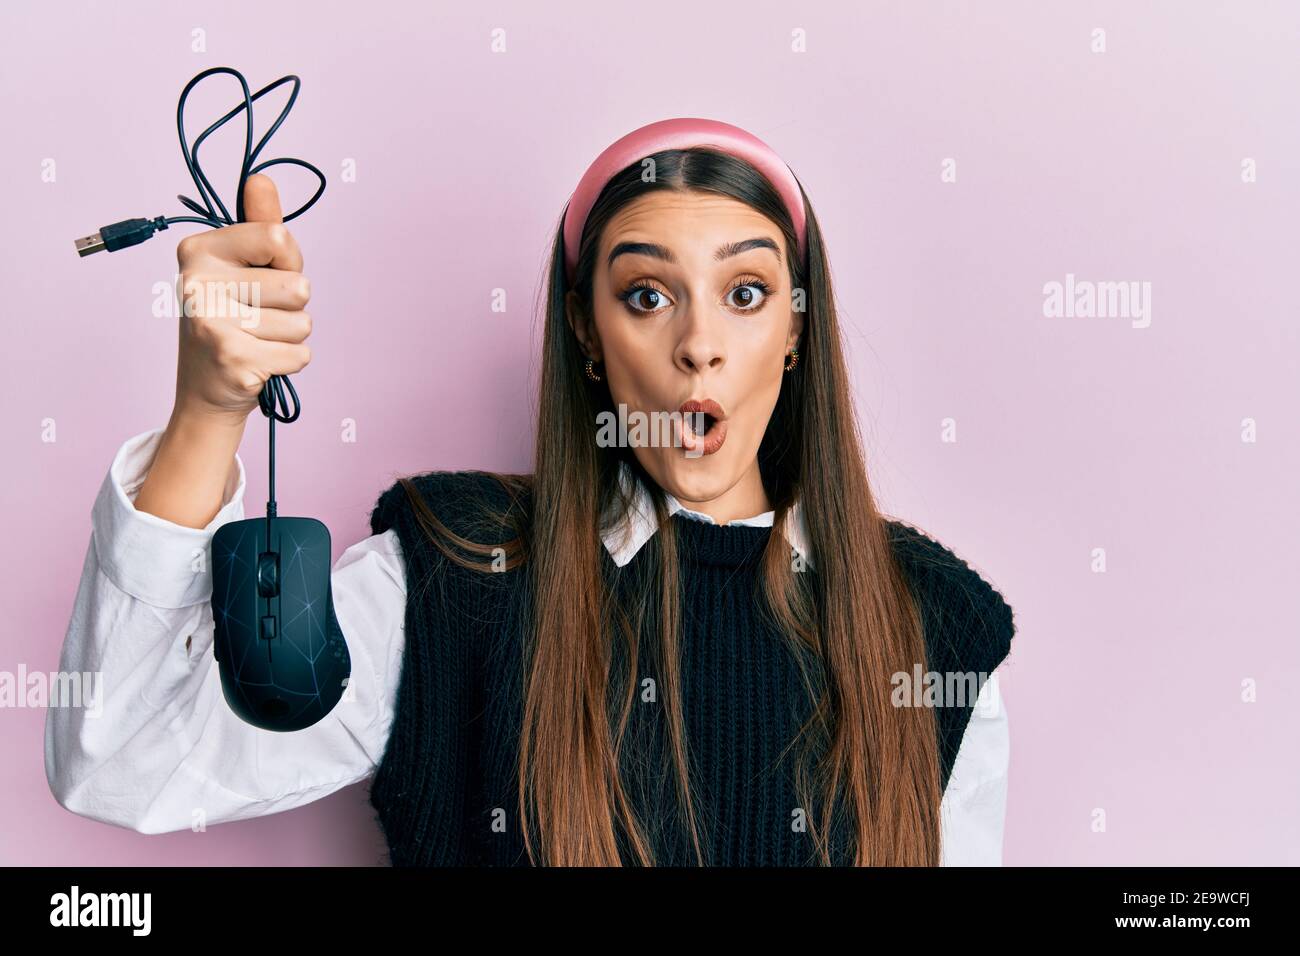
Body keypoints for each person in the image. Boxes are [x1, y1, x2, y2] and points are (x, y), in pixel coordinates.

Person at [45, 118, 1016, 866]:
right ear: (587, 334)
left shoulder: (934, 622)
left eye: (746, 292)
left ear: (796, 329)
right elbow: (115, 756)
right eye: (645, 293)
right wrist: (208, 412)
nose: (699, 343)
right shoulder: (454, 573)